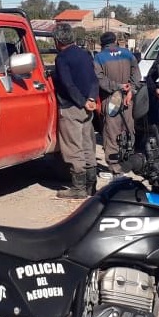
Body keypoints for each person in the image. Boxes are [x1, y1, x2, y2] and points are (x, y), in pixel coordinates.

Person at [52, 23, 99, 199]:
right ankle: (91, 187)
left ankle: (78, 189)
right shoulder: (84, 54)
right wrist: (91, 99)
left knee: (73, 148)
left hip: (71, 107)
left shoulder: (62, 58)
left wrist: (81, 101)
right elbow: (94, 80)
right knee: (88, 145)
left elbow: (67, 84)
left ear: (57, 40)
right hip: (88, 107)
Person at [94, 31, 142, 178]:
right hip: (128, 98)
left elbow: (99, 79)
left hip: (111, 98)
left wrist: (118, 86)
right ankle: (128, 162)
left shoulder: (99, 57)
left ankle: (116, 169)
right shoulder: (128, 53)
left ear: (103, 44)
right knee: (128, 129)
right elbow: (136, 74)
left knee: (111, 132)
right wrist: (131, 90)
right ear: (116, 41)